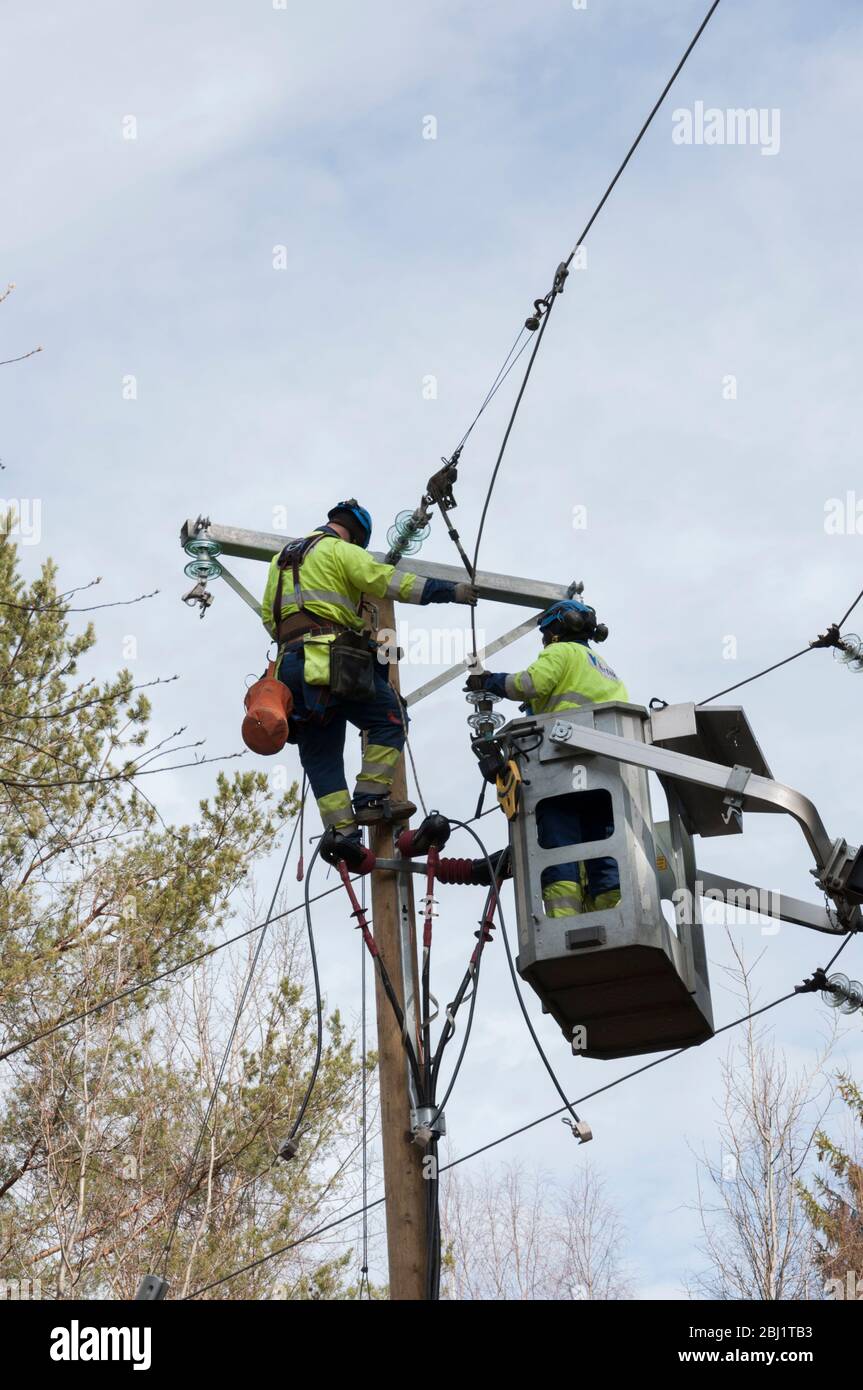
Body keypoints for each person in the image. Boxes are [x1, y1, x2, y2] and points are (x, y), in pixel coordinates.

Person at [262, 499, 476, 870]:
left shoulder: (280, 559)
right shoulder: (340, 551)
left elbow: (270, 617)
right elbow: (390, 582)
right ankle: (371, 799)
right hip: (330, 660)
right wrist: (449, 591)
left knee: (320, 753)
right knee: (389, 717)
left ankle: (343, 836)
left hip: (289, 670)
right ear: (357, 536)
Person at [465, 599, 628, 916]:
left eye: (545, 632)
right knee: (602, 845)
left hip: (561, 768)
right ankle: (611, 912)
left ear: (557, 628)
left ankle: (564, 920)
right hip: (603, 773)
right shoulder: (603, 665)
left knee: (559, 844)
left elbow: (528, 684)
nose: (544, 639)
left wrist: (490, 681)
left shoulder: (561, 652)